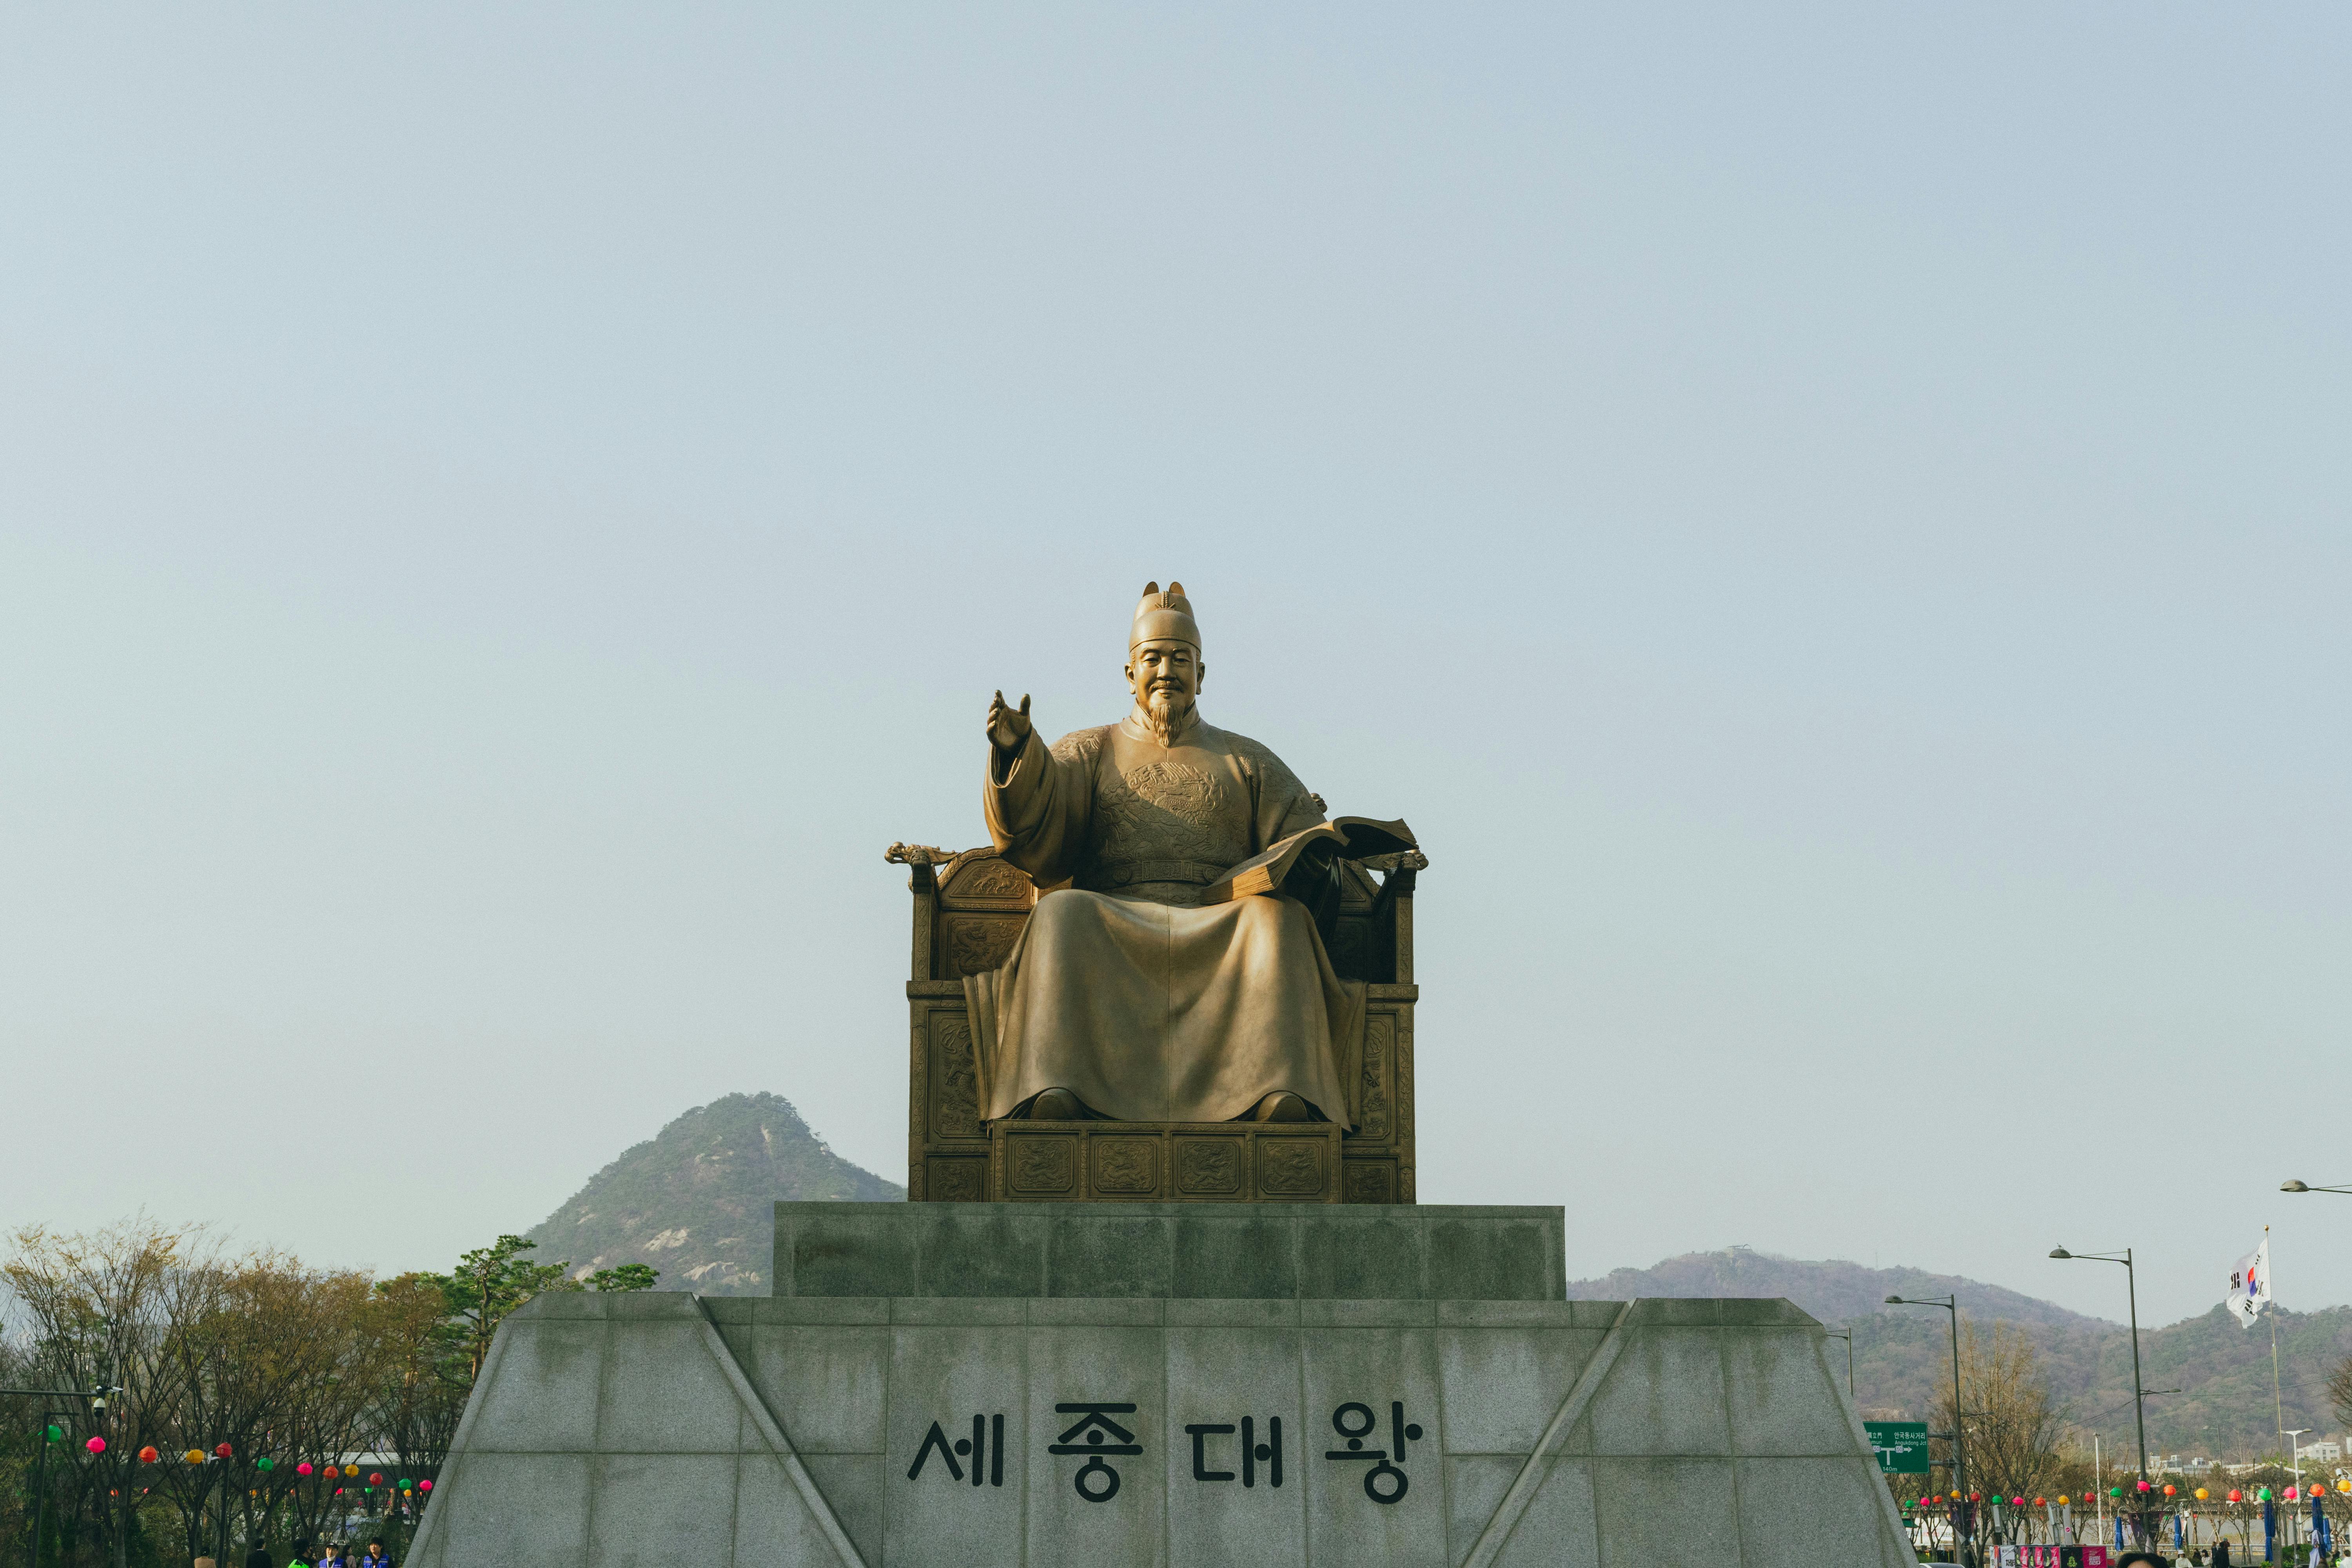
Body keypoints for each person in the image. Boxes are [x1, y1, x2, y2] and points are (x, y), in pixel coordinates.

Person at [969, 582, 1385, 1126]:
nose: (1166, 672)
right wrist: (1017, 755)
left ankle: (1277, 1092)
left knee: (1277, 923)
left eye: (1180, 660)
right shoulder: (1092, 748)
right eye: (1153, 660)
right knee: (1061, 913)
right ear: (1129, 675)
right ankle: (1057, 1086)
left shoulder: (1248, 759)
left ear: (1202, 675)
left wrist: (1317, 858)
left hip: (1219, 922)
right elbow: (1038, 823)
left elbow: (1301, 842)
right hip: (1115, 917)